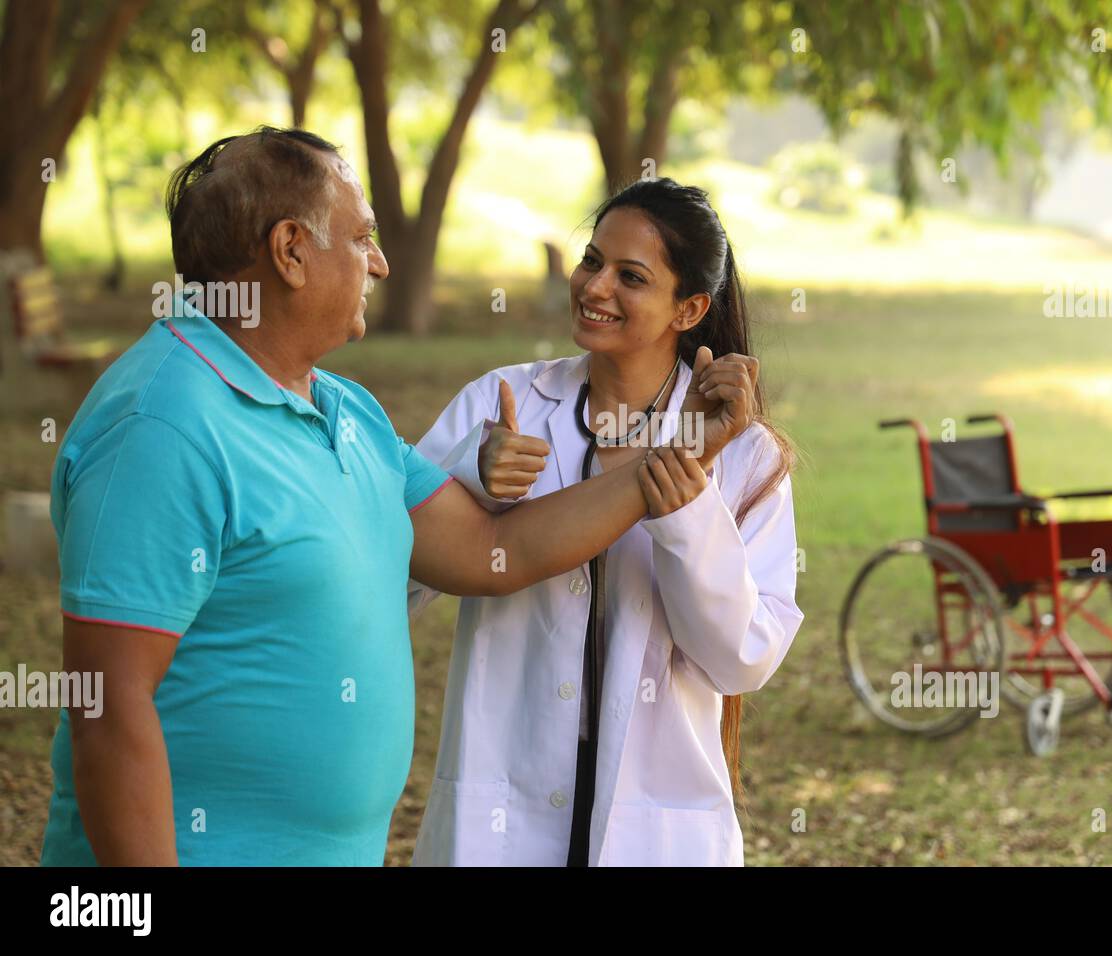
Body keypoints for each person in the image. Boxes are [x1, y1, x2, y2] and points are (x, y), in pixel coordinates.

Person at [40, 129, 754, 866]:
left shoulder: (346, 412)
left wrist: (672, 462)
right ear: (290, 251)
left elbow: (490, 552)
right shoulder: (164, 425)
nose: (379, 260)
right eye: (361, 237)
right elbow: (108, 708)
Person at [409, 177, 803, 867]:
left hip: (656, 829)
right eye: (591, 261)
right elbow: (394, 577)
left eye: (630, 276)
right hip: (499, 816)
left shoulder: (744, 453)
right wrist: (472, 477)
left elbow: (742, 659)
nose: (594, 287)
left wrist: (684, 505)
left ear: (690, 308)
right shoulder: (503, 407)